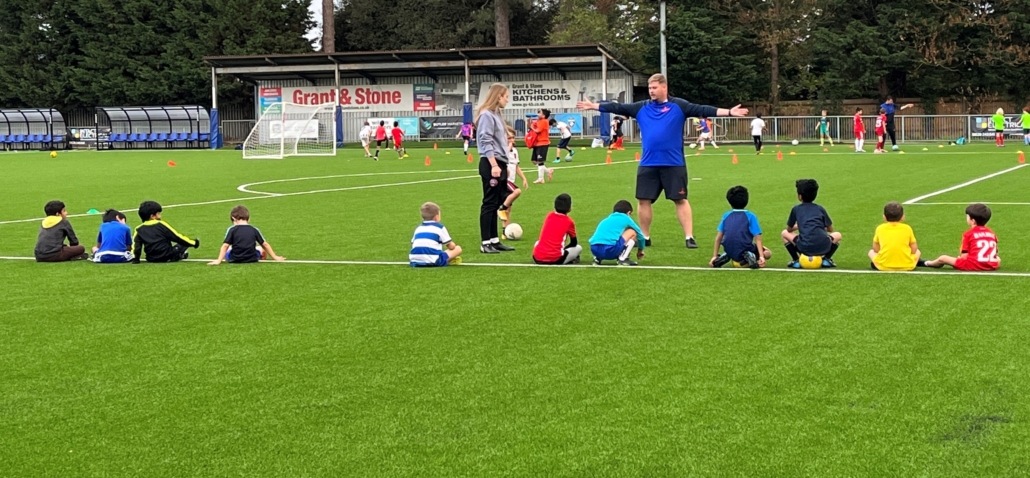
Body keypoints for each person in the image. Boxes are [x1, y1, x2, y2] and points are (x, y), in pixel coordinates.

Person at [577, 73, 748, 249]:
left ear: (664, 87)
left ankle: (689, 237)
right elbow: (618, 107)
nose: (651, 91)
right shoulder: (641, 107)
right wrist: (594, 106)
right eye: (650, 88)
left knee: (680, 199)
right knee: (643, 200)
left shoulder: (679, 106)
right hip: (648, 163)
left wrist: (728, 111)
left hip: (673, 163)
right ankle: (645, 236)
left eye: (654, 88)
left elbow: (703, 109)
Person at [475, 83, 516, 254]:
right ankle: (485, 242)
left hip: (500, 162)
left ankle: (494, 240)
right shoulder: (486, 115)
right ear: (498, 96)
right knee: (489, 202)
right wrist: (493, 165)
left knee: (498, 200)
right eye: (506, 96)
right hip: (491, 163)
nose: (507, 99)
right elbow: (485, 140)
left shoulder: (497, 114)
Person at [782, 179, 842, 268]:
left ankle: (796, 260)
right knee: (838, 235)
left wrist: (800, 226)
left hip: (804, 247)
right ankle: (826, 259)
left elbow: (789, 229)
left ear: (800, 196)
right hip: (823, 247)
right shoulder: (820, 208)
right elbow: (830, 229)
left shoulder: (796, 209)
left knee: (784, 233)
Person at [710, 186, 771, 269]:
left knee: (733, 248)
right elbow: (758, 238)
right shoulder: (750, 216)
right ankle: (750, 255)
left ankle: (726, 255)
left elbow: (718, 238)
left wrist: (714, 256)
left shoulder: (726, 215)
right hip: (745, 247)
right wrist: (761, 257)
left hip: (729, 248)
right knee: (768, 253)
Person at [924, 203, 1000, 271]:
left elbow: (964, 256)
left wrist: (959, 259)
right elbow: (995, 253)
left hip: (973, 265)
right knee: (998, 259)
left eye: (967, 216)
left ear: (972, 220)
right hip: (991, 265)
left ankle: (928, 263)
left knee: (943, 258)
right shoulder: (992, 233)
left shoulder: (968, 234)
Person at [207, 205, 285, 265]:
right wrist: (275, 257)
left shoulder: (232, 229)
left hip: (235, 259)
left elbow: (225, 246)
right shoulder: (254, 229)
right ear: (248, 219)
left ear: (234, 219)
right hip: (252, 258)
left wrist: (218, 261)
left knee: (229, 247)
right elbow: (265, 244)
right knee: (260, 248)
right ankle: (260, 254)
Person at [132, 200, 200, 263]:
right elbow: (176, 237)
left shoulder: (138, 229)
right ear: (152, 216)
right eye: (158, 213)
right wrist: (194, 243)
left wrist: (136, 259)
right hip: (168, 256)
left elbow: (136, 246)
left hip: (151, 258)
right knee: (182, 244)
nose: (160, 216)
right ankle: (182, 254)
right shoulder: (161, 224)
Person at [589, 199, 645, 266]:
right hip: (610, 250)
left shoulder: (606, 220)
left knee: (605, 235)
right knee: (632, 232)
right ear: (628, 213)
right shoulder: (626, 218)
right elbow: (640, 235)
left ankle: (597, 259)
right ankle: (623, 259)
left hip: (594, 249)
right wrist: (640, 250)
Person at [868, 201, 922, 271]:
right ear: (903, 217)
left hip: (883, 266)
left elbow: (876, 249)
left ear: (884, 217)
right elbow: (914, 250)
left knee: (871, 252)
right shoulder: (907, 228)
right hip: (908, 266)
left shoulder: (880, 228)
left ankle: (881, 262)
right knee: (918, 251)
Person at [532, 193, 582, 265]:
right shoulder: (569, 221)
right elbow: (574, 243)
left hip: (537, 258)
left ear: (555, 206)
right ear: (569, 208)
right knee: (578, 248)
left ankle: (543, 254)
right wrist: (564, 249)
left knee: (537, 242)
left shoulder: (549, 216)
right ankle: (569, 258)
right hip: (556, 259)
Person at [408, 202, 462, 267]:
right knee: (458, 249)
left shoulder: (418, 228)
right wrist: (453, 245)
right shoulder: (439, 227)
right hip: (434, 261)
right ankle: (447, 259)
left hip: (414, 260)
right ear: (436, 217)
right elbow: (451, 246)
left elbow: (413, 243)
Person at [498, 125, 528, 228]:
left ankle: (505, 230)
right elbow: (504, 158)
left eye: (513, 138)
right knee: (517, 191)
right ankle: (501, 208)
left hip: (511, 180)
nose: (511, 140)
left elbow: (516, 166)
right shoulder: (502, 150)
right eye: (509, 138)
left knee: (509, 209)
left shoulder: (515, 151)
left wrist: (524, 178)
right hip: (504, 180)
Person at [529, 109, 552, 183]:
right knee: (534, 161)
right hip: (537, 143)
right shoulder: (538, 121)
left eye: (540, 113)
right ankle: (548, 171)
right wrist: (530, 124)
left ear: (544, 115)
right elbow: (532, 126)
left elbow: (537, 130)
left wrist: (532, 127)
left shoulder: (545, 121)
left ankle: (541, 178)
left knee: (540, 161)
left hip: (543, 143)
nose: (538, 114)